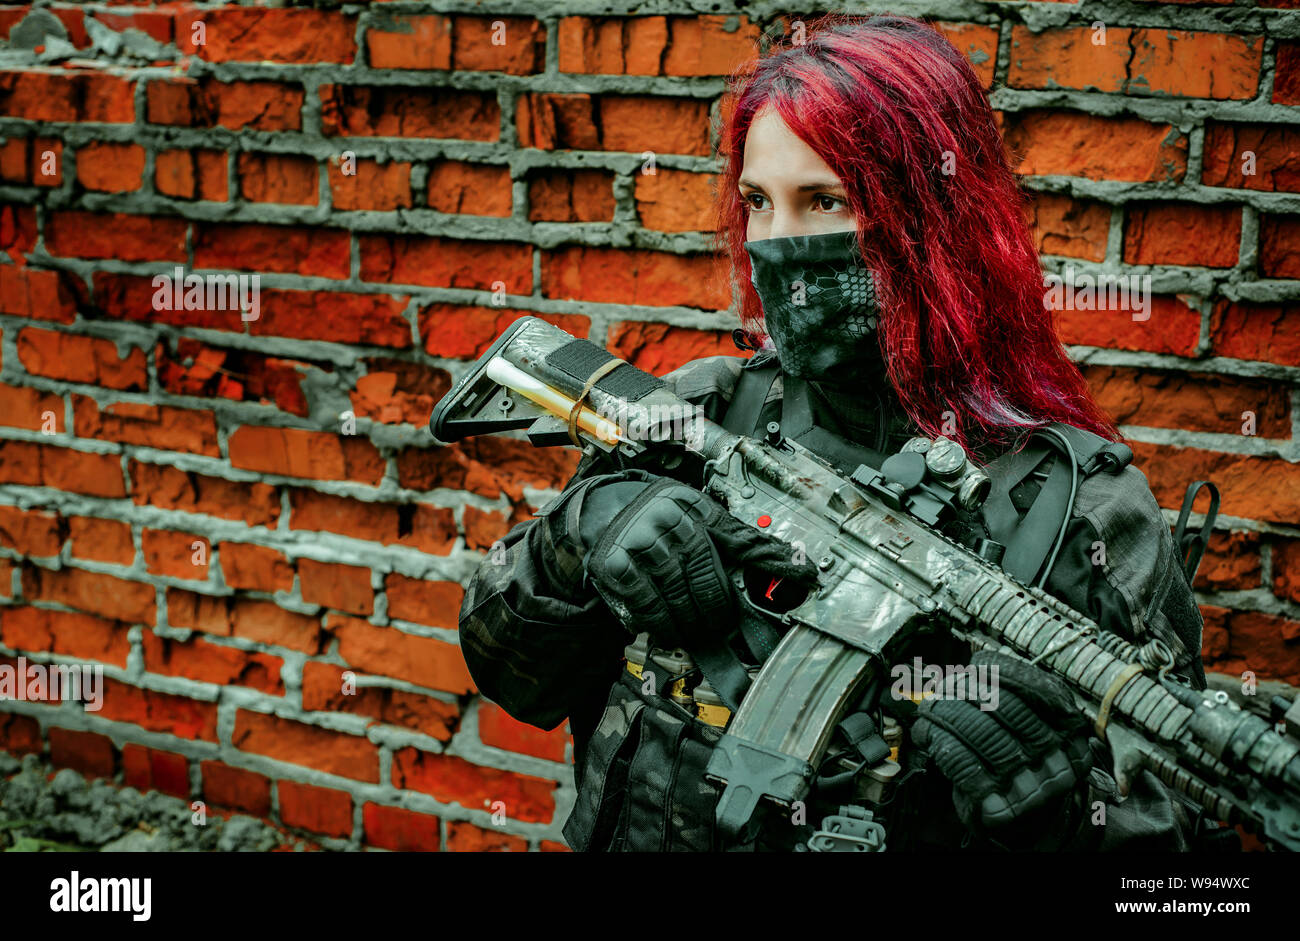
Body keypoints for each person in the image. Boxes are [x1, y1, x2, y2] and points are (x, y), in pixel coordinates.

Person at [458, 14, 1217, 852]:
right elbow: (514, 678)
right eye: (757, 203)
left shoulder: (1080, 509)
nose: (779, 245)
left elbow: (1182, 875)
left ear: (935, 220)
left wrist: (1065, 813)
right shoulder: (692, 412)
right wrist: (571, 542)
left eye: (824, 202)